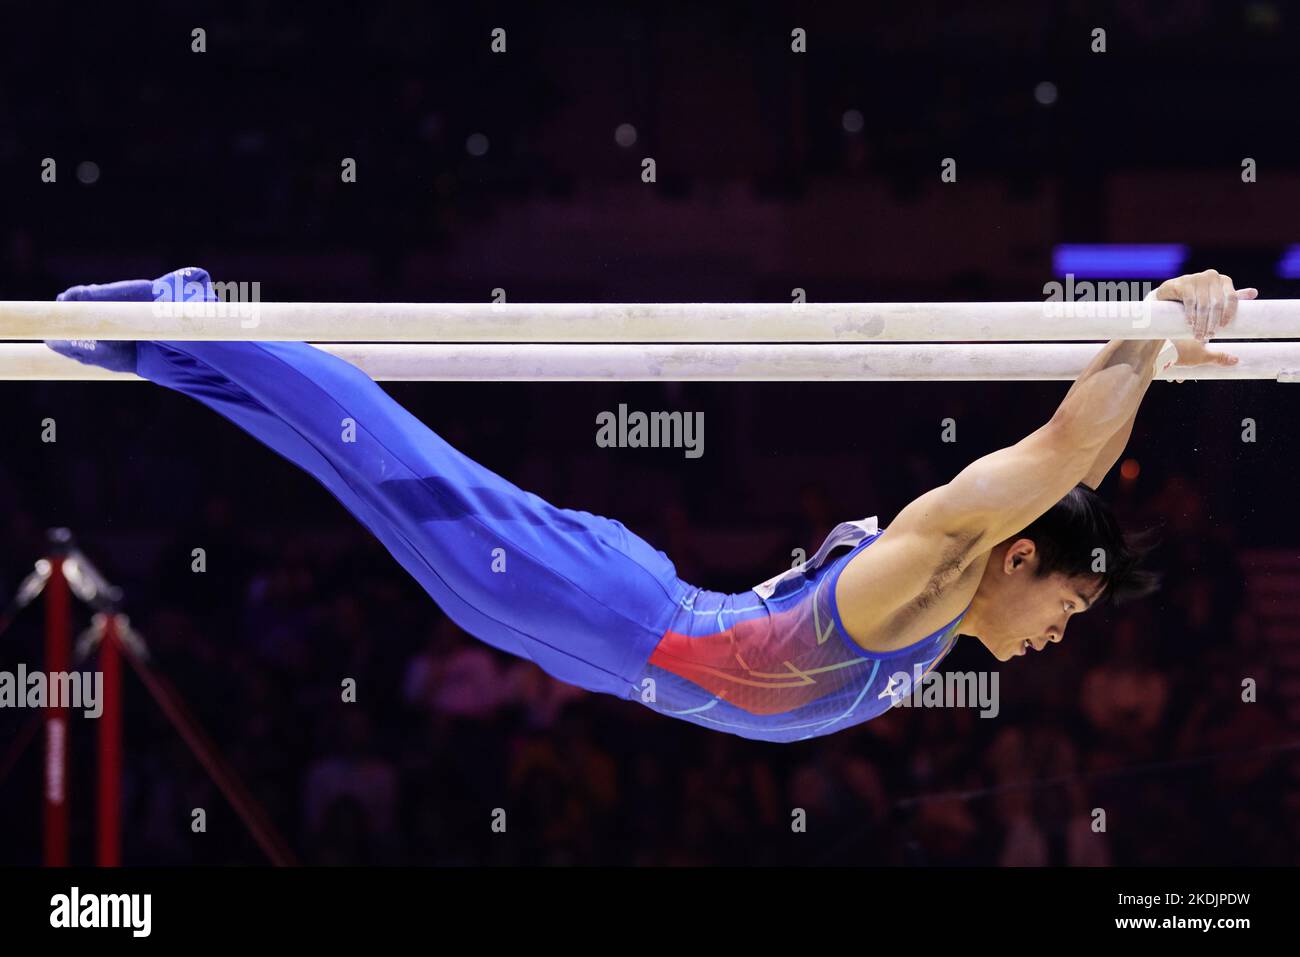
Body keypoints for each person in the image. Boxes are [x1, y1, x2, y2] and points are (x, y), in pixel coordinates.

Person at [47, 267, 1253, 742]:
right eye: (1068, 603)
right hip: (609, 610)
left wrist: (1143, 356)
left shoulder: (949, 605)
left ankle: (173, 348)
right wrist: (1155, 323)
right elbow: (1058, 452)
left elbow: (1067, 470)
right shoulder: (931, 567)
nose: (1061, 634)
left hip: (593, 632)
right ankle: (199, 309)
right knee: (384, 463)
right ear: (1016, 554)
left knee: (354, 475)